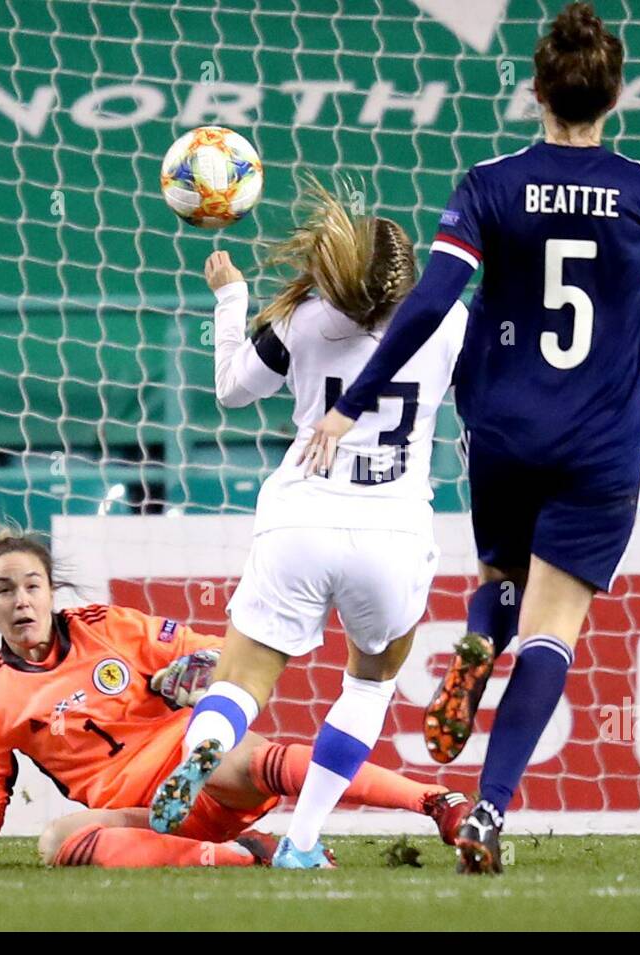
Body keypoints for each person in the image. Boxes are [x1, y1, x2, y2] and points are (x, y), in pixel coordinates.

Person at [299, 2, 640, 873]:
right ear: (614, 98)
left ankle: (480, 636)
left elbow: (431, 300)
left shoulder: (490, 184)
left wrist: (353, 402)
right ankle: (488, 811)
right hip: (599, 444)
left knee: (501, 585)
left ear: (536, 93)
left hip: (504, 429)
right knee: (553, 628)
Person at [147, 181, 469, 867]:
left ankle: (204, 748)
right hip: (393, 528)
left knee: (239, 682)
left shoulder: (304, 320)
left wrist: (230, 296)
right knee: (369, 685)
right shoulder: (450, 322)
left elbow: (233, 390)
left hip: (301, 517)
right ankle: (300, 840)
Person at [0, 530, 470, 870]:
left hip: (203, 775)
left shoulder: (110, 627)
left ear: (52, 592)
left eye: (32, 585)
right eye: (4, 590)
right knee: (56, 840)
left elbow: (222, 655)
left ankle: (435, 802)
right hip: (142, 818)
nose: (21, 600)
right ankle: (240, 856)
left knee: (233, 753)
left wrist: (194, 671)